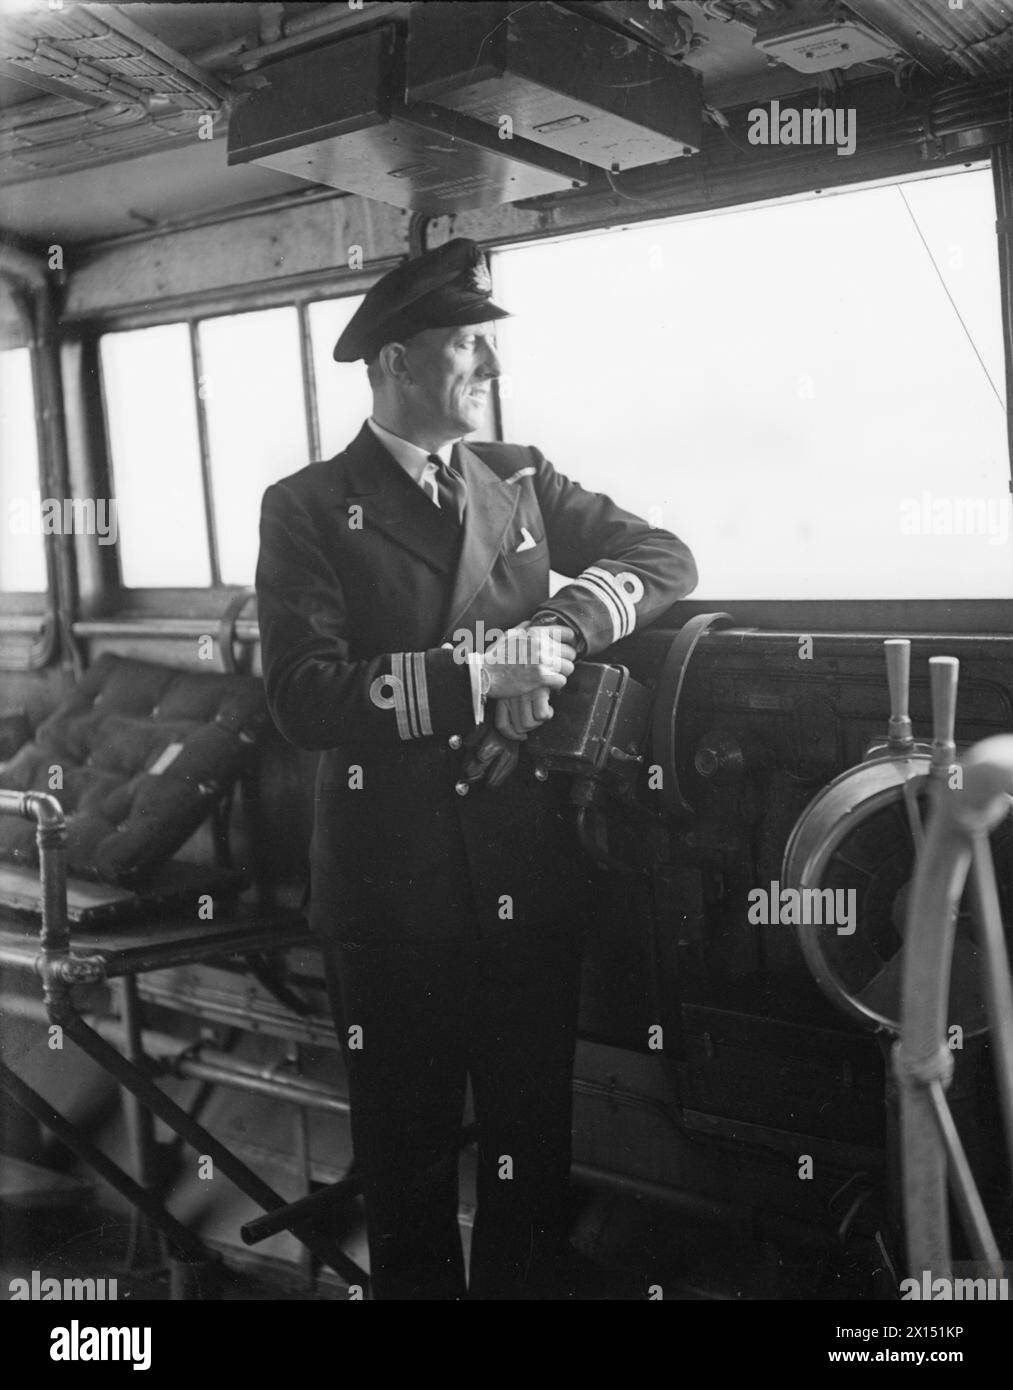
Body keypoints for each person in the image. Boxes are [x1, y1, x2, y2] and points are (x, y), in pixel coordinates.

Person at [255, 237, 697, 1299]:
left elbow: (666, 557)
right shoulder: (309, 506)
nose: (487, 372)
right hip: (392, 891)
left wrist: (561, 626)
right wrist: (476, 681)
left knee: (527, 1157)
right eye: (465, 348)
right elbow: (307, 695)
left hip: (521, 876)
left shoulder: (518, 476)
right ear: (399, 362)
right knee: (405, 1174)